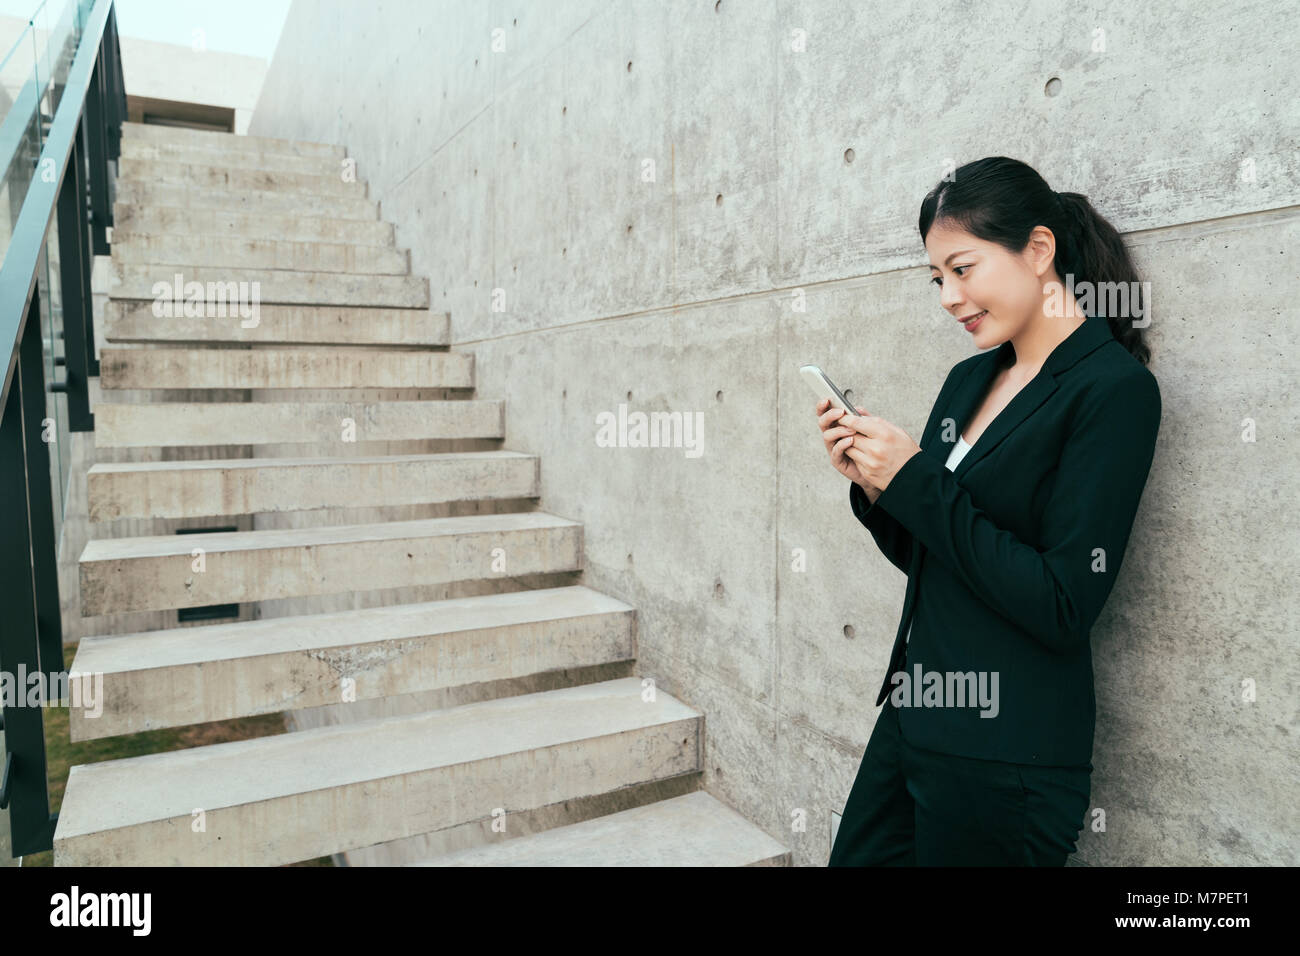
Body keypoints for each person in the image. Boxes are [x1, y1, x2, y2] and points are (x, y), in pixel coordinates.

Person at [818, 156, 1161, 866]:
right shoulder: (969, 377)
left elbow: (1065, 602)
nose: (947, 295)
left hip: (1008, 755)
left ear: (1038, 251)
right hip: (917, 714)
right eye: (936, 278)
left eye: (962, 268)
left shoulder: (1112, 390)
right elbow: (937, 558)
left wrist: (915, 480)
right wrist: (879, 487)